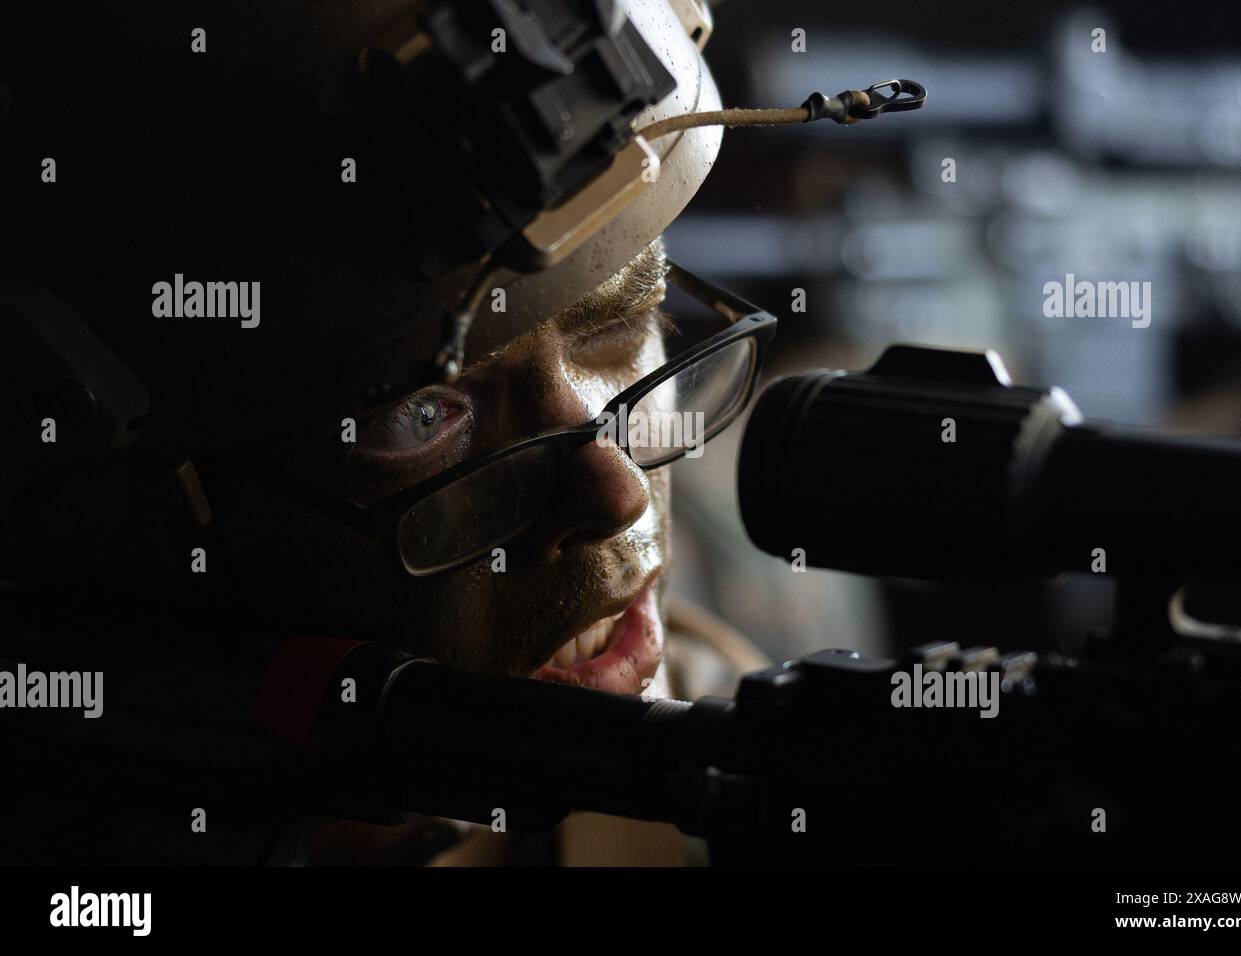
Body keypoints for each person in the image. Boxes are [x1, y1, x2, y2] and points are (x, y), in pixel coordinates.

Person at [0, 0, 770, 864]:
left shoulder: (728, 747)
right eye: (422, 415)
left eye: (619, 322)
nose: (616, 492)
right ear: (105, 511)